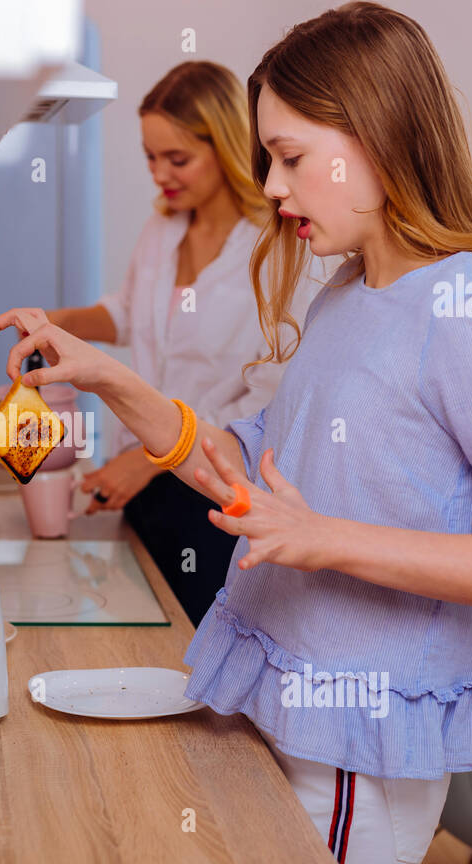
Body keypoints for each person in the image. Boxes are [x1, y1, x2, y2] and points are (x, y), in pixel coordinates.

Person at [0, 1, 472, 864]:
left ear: (380, 138)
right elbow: (248, 467)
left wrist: (328, 539)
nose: (273, 188)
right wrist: (108, 377)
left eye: (288, 157)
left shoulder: (466, 312)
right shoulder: (345, 295)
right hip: (289, 704)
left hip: (354, 740)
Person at [41, 61, 328, 627]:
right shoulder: (163, 229)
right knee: (146, 637)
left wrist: (147, 460)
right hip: (141, 475)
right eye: (150, 157)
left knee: (194, 648)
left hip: (212, 491)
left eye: (178, 159)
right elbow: (129, 313)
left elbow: (267, 401)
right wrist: (51, 321)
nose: (160, 174)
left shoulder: (273, 249)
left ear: (224, 146)